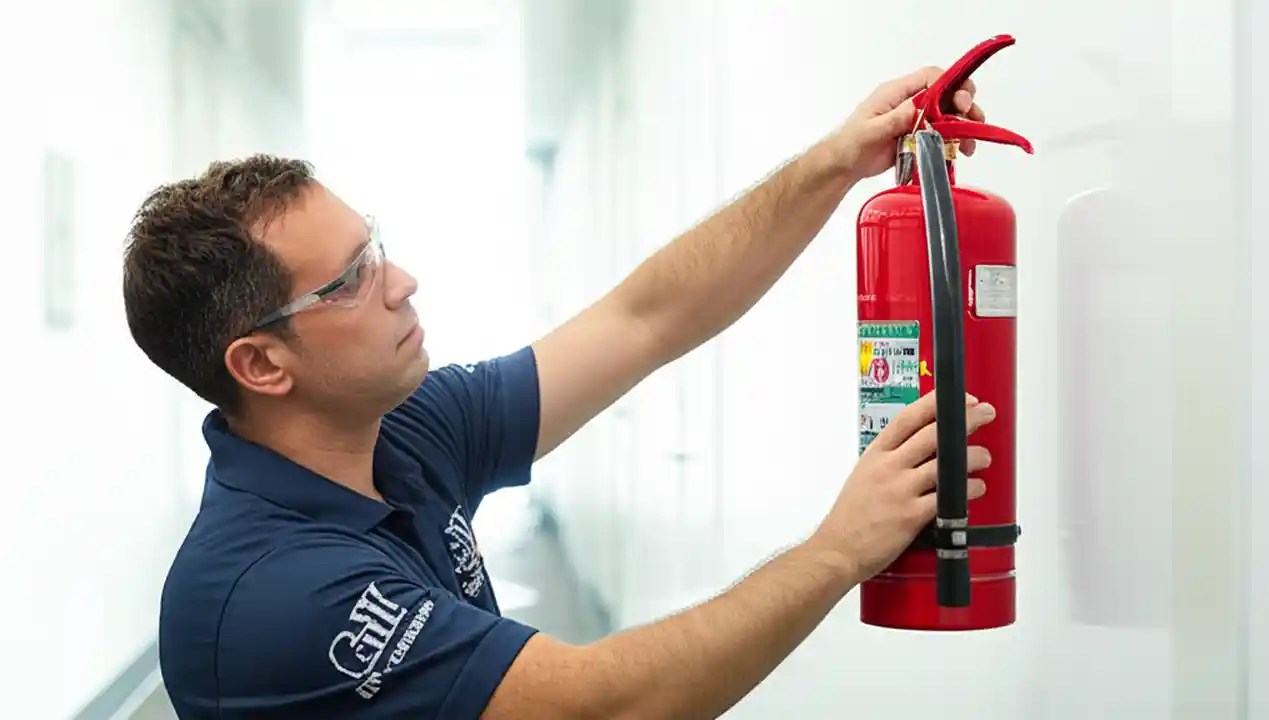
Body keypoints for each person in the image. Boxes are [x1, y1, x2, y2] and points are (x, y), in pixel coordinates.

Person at [123, 64, 996, 719]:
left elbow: (645, 318)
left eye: (377, 246)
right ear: (262, 366)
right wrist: (839, 550)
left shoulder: (399, 432)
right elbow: (598, 706)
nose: (404, 283)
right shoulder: (271, 593)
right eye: (350, 280)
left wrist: (835, 162)